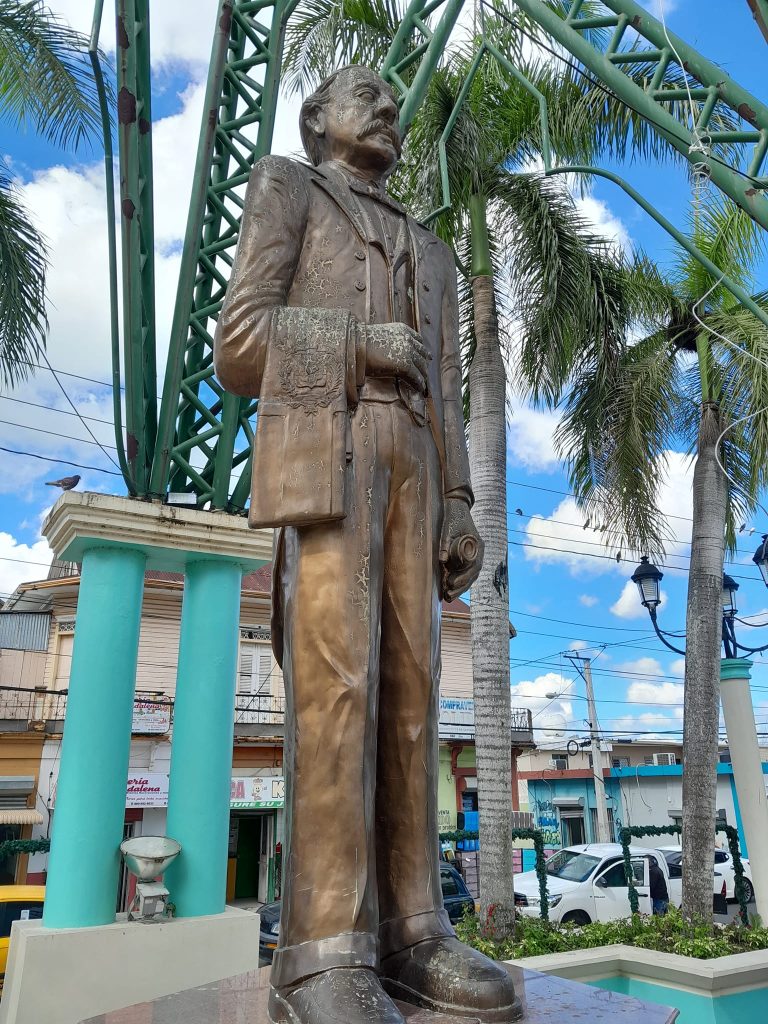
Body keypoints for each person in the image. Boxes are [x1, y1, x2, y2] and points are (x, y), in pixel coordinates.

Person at [215, 66, 521, 1024]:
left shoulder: (431, 250)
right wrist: (358, 343)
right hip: (331, 448)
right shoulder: (288, 187)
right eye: (364, 95)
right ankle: (322, 954)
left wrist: (461, 501)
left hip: (418, 465)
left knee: (413, 699)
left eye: (394, 99)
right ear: (316, 120)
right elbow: (240, 343)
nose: (387, 107)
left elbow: (446, 388)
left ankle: (416, 932)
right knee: (337, 688)